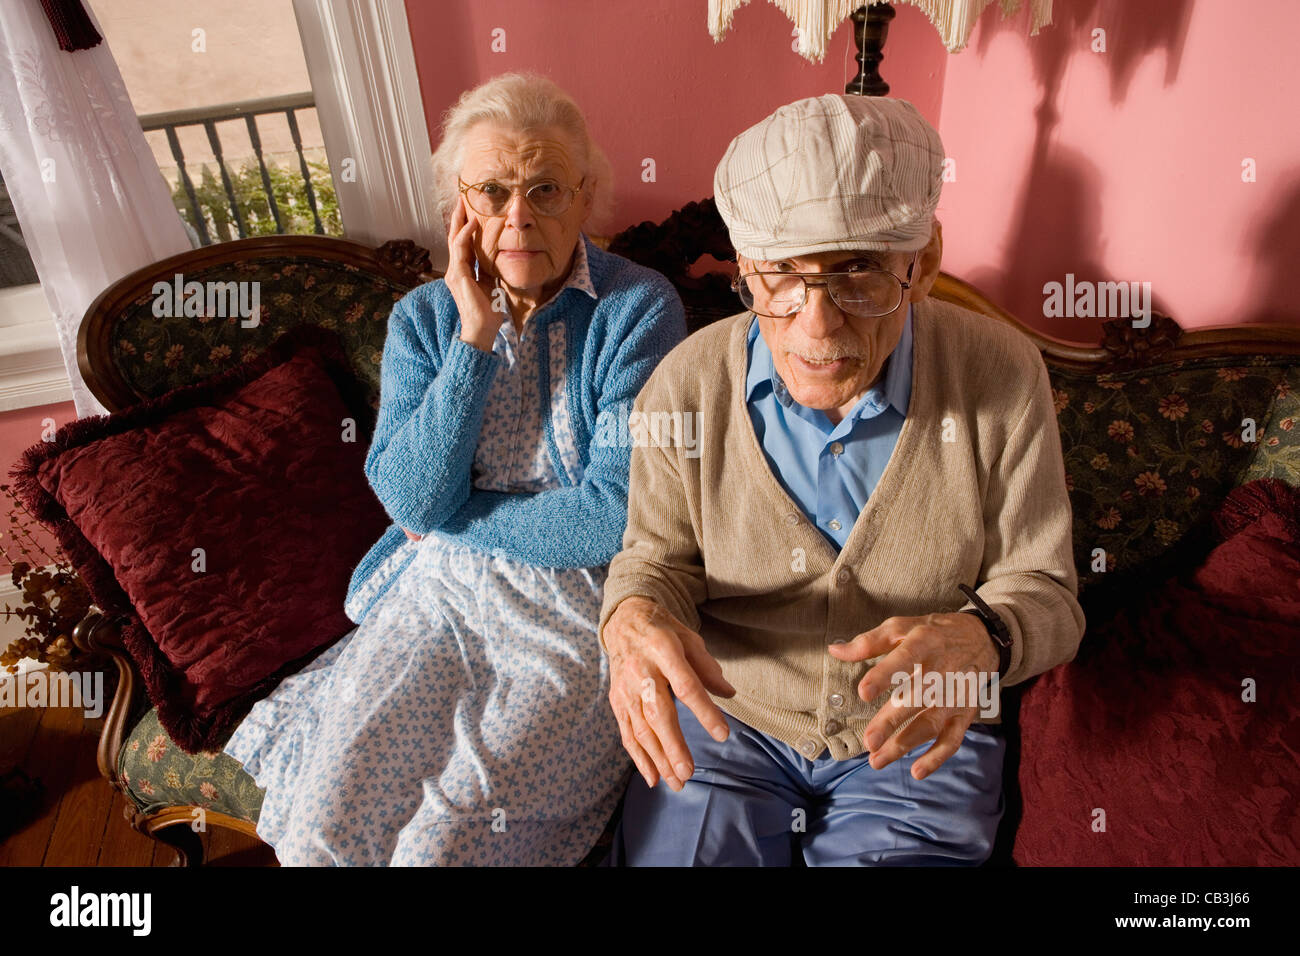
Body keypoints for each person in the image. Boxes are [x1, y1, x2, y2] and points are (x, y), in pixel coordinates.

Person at [599, 93, 1086, 866]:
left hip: (920, 729)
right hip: (732, 722)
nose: (816, 326)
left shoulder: (1001, 371)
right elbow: (654, 560)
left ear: (920, 266)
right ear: (745, 270)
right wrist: (627, 618)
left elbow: (1049, 591)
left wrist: (985, 637)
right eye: (781, 278)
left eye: (857, 272)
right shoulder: (686, 384)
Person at [225, 72, 686, 866]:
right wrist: (474, 339)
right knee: (329, 820)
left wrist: (453, 516)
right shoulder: (426, 319)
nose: (518, 216)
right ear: (459, 204)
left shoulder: (638, 309)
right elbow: (405, 493)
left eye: (545, 188)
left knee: (448, 839)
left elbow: (609, 513)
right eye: (493, 190)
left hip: (578, 605)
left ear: (586, 197)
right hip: (435, 591)